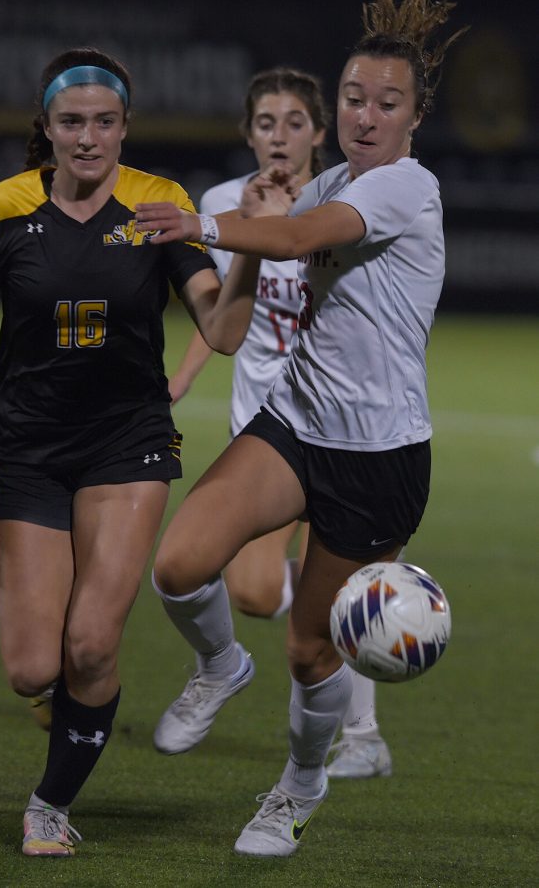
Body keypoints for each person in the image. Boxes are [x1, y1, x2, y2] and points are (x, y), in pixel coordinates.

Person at [0, 47, 270, 858]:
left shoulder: (161, 204)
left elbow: (225, 335)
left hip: (126, 444)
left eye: (102, 122)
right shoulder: (7, 207)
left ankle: (49, 804)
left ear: (124, 128)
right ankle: (71, 701)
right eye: (71, 123)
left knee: (90, 643)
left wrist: (252, 248)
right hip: (28, 449)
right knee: (32, 669)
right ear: (47, 129)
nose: (87, 138)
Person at [135, 0, 467, 857]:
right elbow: (235, 326)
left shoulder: (406, 187)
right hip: (294, 425)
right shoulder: (324, 181)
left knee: (313, 654)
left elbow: (300, 235)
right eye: (354, 96)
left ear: (414, 117)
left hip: (378, 458)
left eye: (385, 102)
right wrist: (240, 238)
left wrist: (205, 223)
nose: (365, 114)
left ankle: (297, 786)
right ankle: (216, 667)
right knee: (180, 563)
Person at [168, 67, 392, 780]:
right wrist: (179, 378)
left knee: (329, 595)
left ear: (317, 134)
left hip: (340, 418)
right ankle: (309, 620)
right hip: (265, 421)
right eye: (265, 123)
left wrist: (283, 223)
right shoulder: (222, 202)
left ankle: (362, 735)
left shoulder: (343, 201)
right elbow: (223, 310)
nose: (279, 136)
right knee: (256, 593)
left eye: (294, 122)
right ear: (247, 133)